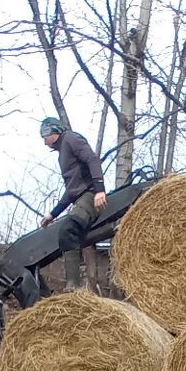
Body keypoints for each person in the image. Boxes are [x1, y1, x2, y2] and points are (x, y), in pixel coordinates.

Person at [38, 117, 107, 291]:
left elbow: (92, 159)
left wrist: (99, 189)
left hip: (90, 195)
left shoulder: (71, 138)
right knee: (66, 235)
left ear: (54, 131)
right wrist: (52, 214)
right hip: (80, 196)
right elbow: (71, 191)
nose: (44, 142)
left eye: (44, 136)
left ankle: (73, 285)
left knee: (68, 230)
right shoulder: (62, 154)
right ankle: (75, 284)